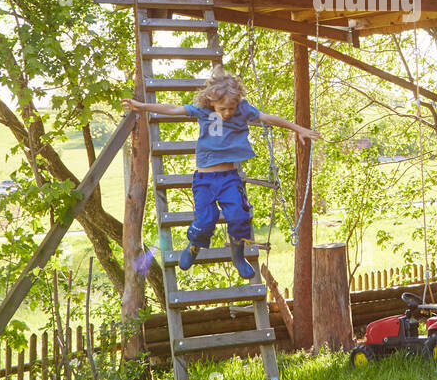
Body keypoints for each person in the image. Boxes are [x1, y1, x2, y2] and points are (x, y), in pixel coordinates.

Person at [124, 68, 321, 280]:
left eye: (231, 108)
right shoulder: (202, 110)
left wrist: (298, 129)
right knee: (206, 220)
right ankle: (194, 245)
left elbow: (268, 118)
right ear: (212, 102)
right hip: (204, 181)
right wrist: (142, 106)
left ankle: (238, 256)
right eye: (222, 109)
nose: (227, 113)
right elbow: (172, 108)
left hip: (229, 179)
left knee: (239, 216)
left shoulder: (243, 110)